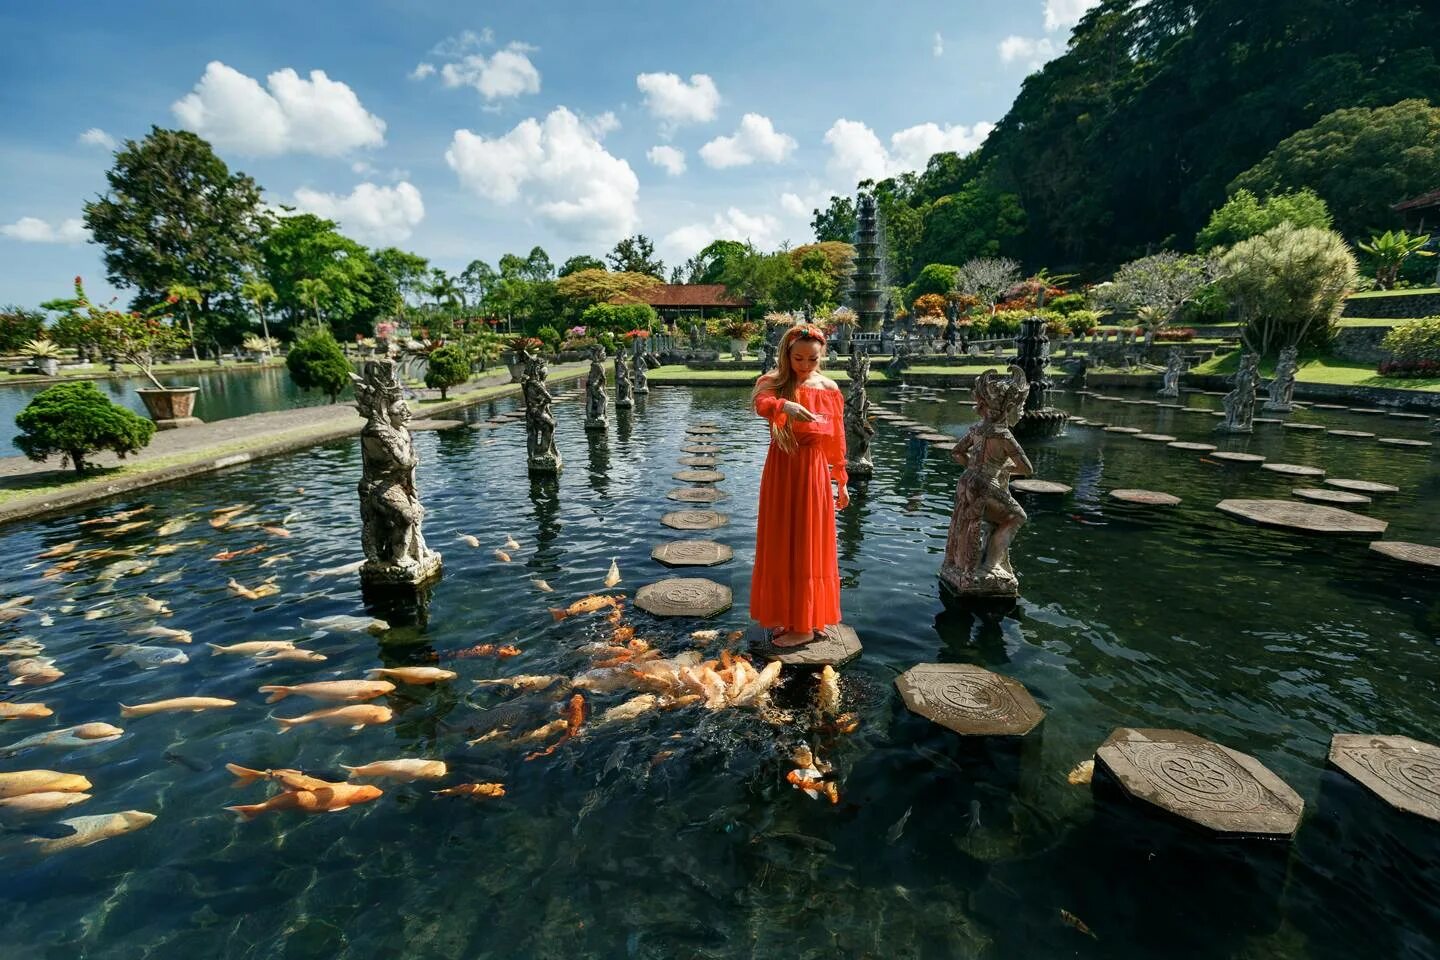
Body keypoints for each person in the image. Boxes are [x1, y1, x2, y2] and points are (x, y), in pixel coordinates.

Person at [750, 324, 850, 647]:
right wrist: (785, 405)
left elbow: (836, 441)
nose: (805, 365)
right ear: (787, 354)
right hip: (782, 466)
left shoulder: (829, 388)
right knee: (784, 541)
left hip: (813, 470)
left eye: (812, 359)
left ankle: (806, 626)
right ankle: (796, 617)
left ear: (822, 355)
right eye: (798, 358)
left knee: (809, 542)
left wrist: (841, 482)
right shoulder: (775, 383)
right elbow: (760, 404)